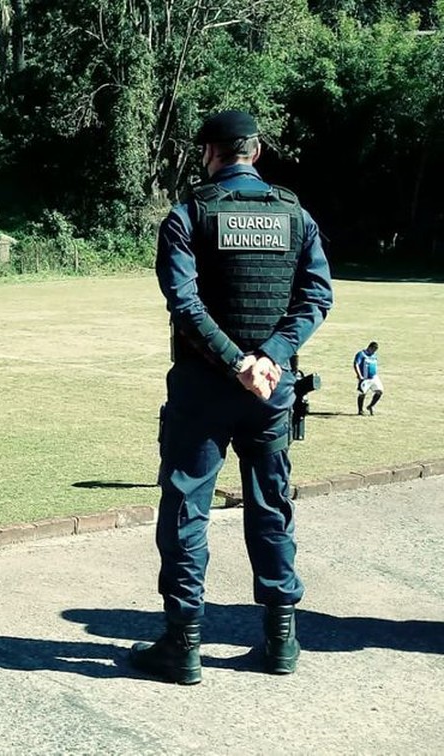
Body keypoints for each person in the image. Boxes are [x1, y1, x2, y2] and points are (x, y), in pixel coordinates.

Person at [131, 110, 333, 685]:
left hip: (204, 384)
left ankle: (184, 644)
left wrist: (237, 361)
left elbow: (185, 304)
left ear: (208, 154)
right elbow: (317, 297)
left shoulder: (188, 213)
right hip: (272, 387)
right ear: (257, 151)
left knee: (187, 506)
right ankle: (281, 642)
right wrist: (269, 356)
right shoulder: (295, 215)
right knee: (271, 505)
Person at [354, 341, 382, 415]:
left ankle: (370, 406)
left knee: (379, 392)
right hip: (365, 378)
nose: (374, 351)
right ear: (370, 347)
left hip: (374, 377)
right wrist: (359, 375)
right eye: (374, 349)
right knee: (362, 393)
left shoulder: (374, 355)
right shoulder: (361, 354)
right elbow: (356, 364)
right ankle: (360, 410)